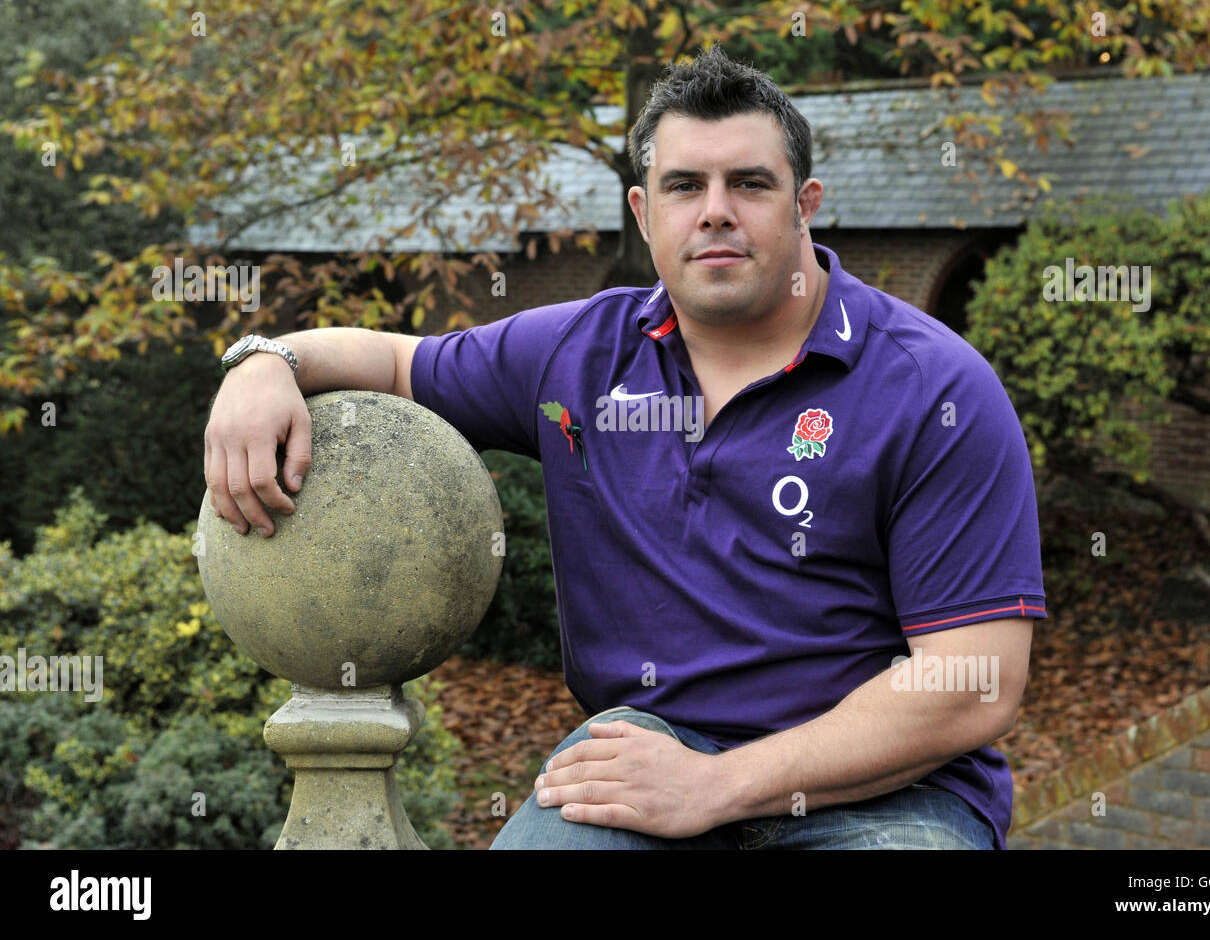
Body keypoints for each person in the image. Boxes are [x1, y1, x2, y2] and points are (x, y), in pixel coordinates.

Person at [204, 45, 1046, 850]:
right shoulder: (580, 353)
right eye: (685, 184)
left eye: (749, 182)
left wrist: (719, 785)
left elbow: (974, 683)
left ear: (804, 204)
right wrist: (263, 362)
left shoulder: (934, 389)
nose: (715, 208)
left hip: (884, 794)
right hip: (641, 753)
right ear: (645, 213)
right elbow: (395, 359)